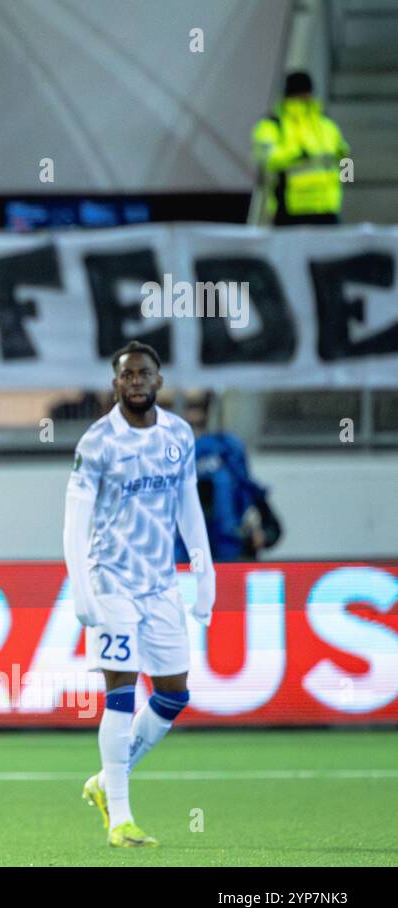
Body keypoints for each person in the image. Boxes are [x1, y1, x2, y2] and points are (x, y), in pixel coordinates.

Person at [63, 341, 216, 848]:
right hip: (111, 581)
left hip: (161, 584)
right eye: (126, 374)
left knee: (174, 694)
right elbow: (75, 521)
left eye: (143, 373)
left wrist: (204, 566)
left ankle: (107, 782)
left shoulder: (178, 434)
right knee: (122, 695)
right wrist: (81, 587)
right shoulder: (97, 441)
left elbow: (188, 504)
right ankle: (120, 820)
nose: (135, 381)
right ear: (116, 384)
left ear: (158, 380)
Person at [173, 392, 280, 564]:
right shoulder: (165, 454)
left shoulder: (228, 451)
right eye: (190, 406)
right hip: (183, 563)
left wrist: (259, 536)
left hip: (229, 558)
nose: (195, 415)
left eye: (200, 406)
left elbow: (271, 527)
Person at [252, 71, 350, 226]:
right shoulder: (273, 125)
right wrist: (298, 155)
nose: (305, 96)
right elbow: (267, 159)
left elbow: (344, 155)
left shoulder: (326, 124)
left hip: (327, 209)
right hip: (290, 210)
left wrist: (345, 181)